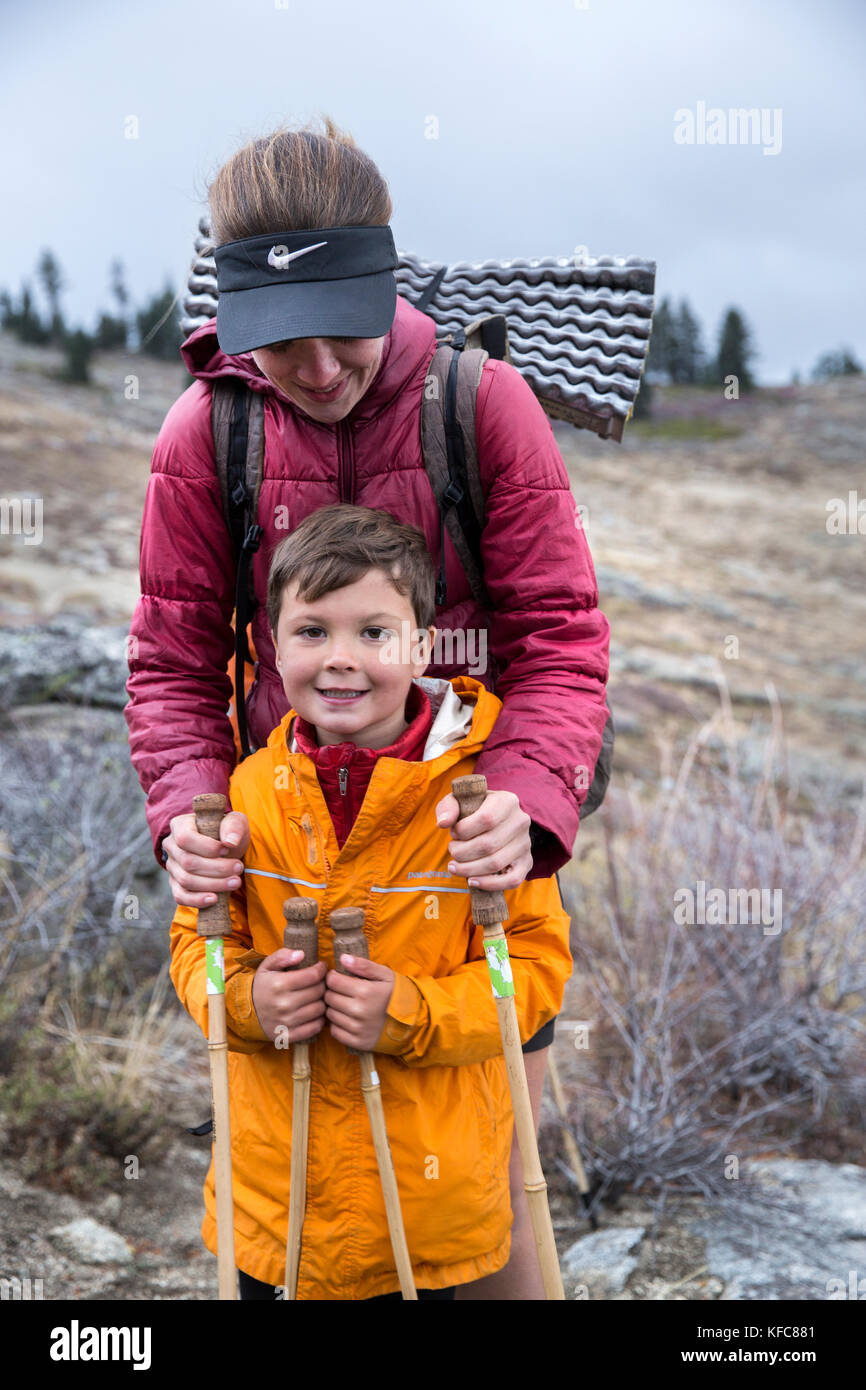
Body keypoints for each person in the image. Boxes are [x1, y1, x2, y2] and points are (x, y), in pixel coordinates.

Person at [125, 115, 609, 1297]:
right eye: (284, 344)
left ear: (383, 284)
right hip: (285, 845)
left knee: (485, 1170)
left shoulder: (479, 404)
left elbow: (560, 637)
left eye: (341, 328)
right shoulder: (210, 429)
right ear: (238, 325)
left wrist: (524, 809)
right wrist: (194, 818)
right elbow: (172, 661)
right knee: (298, 1165)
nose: (322, 368)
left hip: (462, 852)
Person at [169, 503, 572, 1300]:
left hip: (425, 1215)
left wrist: (415, 1015)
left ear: (423, 644)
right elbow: (197, 947)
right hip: (275, 1207)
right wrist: (247, 1002)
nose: (341, 660)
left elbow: (531, 974)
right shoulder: (247, 793)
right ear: (272, 646)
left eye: (375, 633)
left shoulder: (484, 802)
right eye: (312, 631)